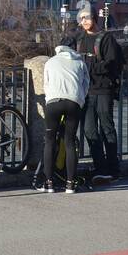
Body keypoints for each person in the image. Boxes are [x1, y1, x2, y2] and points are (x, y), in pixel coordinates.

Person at [34, 35, 90, 194]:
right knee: (70, 142)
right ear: (74, 47)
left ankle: (49, 183)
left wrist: (50, 98)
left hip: (53, 103)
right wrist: (79, 99)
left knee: (50, 141)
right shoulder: (80, 62)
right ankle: (71, 184)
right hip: (73, 103)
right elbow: (86, 84)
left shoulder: (51, 62)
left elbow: (46, 84)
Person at [76, 7, 123, 181]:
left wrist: (90, 65)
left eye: (87, 17)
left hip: (103, 89)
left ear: (94, 17)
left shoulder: (106, 39)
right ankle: (99, 166)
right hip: (86, 91)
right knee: (89, 129)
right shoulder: (79, 39)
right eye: (81, 19)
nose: (84, 21)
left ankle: (113, 168)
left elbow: (111, 63)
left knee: (107, 128)